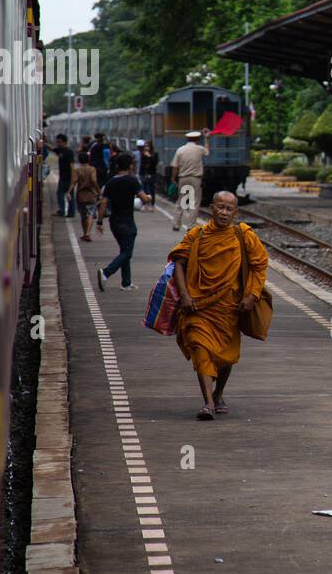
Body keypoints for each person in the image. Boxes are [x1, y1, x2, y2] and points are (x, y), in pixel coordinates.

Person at [169, 191, 267, 420]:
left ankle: (219, 392)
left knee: (225, 354)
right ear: (211, 208)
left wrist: (252, 294)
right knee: (199, 345)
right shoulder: (197, 234)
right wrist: (184, 295)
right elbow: (178, 263)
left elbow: (259, 265)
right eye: (220, 207)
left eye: (228, 209)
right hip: (198, 306)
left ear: (236, 212)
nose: (223, 213)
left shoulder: (243, 235)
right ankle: (208, 403)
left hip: (229, 307)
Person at [96, 152, 154, 292]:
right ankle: (106, 273)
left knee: (124, 250)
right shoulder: (132, 180)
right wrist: (149, 198)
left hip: (114, 222)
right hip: (127, 222)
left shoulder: (111, 182)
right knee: (127, 253)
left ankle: (126, 283)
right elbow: (144, 199)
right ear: (129, 165)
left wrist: (99, 222)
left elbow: (103, 203)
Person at [169, 129, 209, 231]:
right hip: (195, 179)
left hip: (183, 178)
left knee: (181, 200)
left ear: (187, 139)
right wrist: (206, 138)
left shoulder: (180, 150)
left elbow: (175, 166)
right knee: (194, 201)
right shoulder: (199, 149)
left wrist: (173, 178)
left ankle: (176, 224)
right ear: (197, 139)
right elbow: (207, 152)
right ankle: (190, 226)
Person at [71, 151, 100, 241]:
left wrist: (68, 192)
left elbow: (74, 181)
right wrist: (98, 190)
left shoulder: (77, 170)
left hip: (80, 195)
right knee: (91, 213)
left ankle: (85, 233)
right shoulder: (92, 169)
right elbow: (94, 180)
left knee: (83, 216)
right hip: (91, 194)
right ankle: (87, 233)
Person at [52, 134, 75, 217]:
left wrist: (73, 177)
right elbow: (52, 149)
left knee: (68, 195)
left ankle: (69, 212)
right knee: (60, 194)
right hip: (62, 176)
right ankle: (63, 211)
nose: (58, 144)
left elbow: (72, 165)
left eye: (59, 142)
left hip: (68, 176)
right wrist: (43, 143)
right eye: (57, 142)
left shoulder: (69, 152)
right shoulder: (60, 150)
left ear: (64, 142)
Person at [139, 140, 158, 209]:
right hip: (144, 173)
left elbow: (155, 163)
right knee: (144, 188)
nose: (146, 147)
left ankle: (152, 204)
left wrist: (149, 156)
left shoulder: (155, 154)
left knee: (151, 189)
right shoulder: (143, 154)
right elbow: (142, 165)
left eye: (148, 146)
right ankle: (145, 203)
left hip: (152, 173)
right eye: (145, 146)